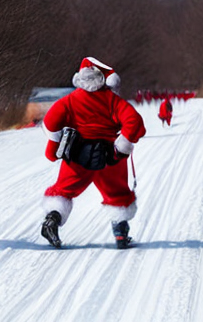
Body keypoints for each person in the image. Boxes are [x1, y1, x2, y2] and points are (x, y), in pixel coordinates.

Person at [40, 57, 146, 249]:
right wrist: (123, 146)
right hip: (110, 158)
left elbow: (50, 122)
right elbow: (135, 122)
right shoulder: (112, 101)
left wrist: (52, 150)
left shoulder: (70, 101)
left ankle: (52, 221)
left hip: (78, 155)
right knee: (117, 194)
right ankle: (121, 234)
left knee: (63, 191)